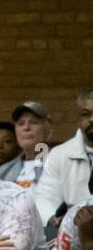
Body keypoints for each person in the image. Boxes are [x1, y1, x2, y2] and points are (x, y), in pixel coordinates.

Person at [32, 88, 93, 229]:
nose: (92, 119)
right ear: (78, 119)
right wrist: (56, 219)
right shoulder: (59, 154)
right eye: (86, 114)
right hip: (69, 235)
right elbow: (45, 198)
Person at [0, 100, 51, 190]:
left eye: (34, 122)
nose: (26, 128)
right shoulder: (3, 171)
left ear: (48, 128)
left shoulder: (61, 164)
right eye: (21, 123)